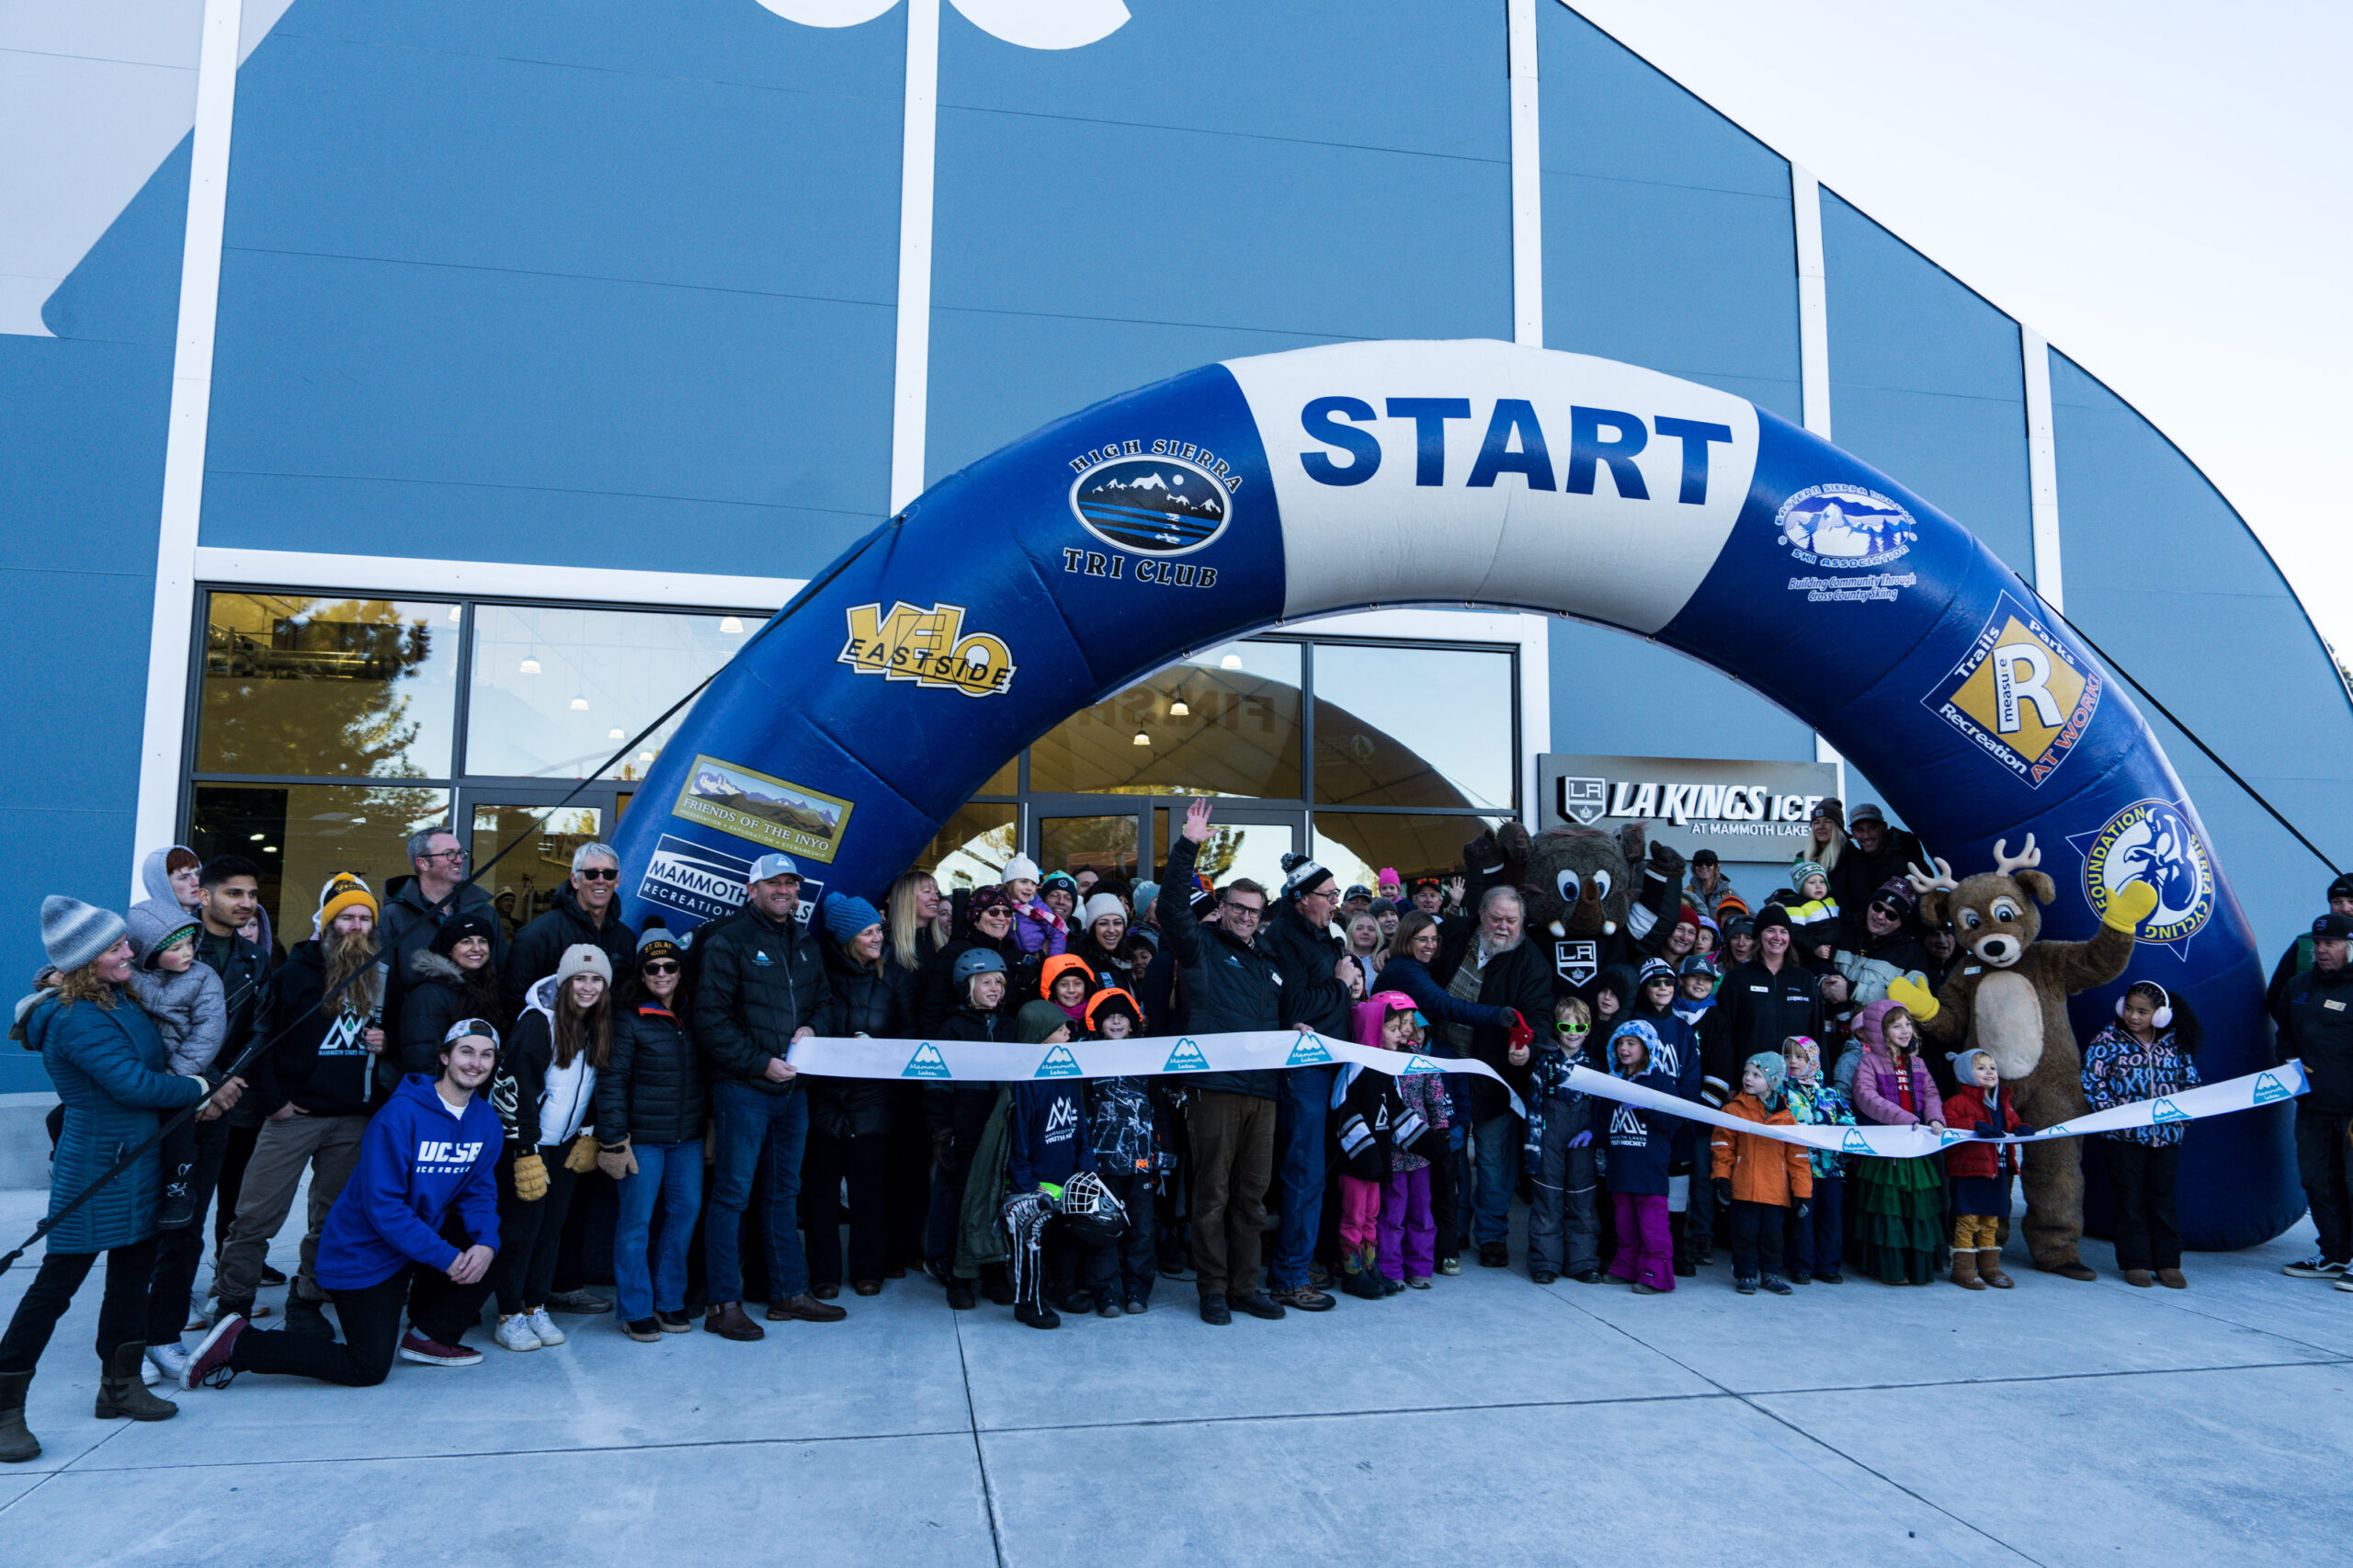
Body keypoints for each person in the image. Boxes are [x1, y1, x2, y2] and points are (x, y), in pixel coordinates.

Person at [3, 899, 220, 1462]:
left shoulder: (116, 997)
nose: (131, 951)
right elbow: (135, 1086)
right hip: (98, 1166)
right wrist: (200, 1088)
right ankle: (3, 1410)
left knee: (132, 1276)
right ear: (86, 959)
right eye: (118, 946)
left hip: (139, 1158)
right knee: (55, 1288)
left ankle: (120, 1387)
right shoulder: (75, 1019)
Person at [181, 1019, 504, 1392]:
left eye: (486, 1055)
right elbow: (385, 1209)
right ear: (445, 1056)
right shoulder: (399, 1115)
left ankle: (430, 1334)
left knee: (505, 1236)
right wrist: (447, 1257)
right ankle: (239, 1342)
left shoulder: (485, 1121)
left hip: (415, 1244)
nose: (476, 1063)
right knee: (367, 1367)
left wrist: (485, 1243)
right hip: (365, 1252)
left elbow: (478, 1191)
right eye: (466, 1052)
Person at [213, 874, 389, 1338]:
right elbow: (263, 1040)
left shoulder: (380, 976)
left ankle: (308, 1300)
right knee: (254, 1216)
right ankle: (232, 1305)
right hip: (294, 1117)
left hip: (351, 1119)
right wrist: (274, 1103)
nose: (355, 926)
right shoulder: (294, 973)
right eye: (346, 917)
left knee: (331, 1221)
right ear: (328, 923)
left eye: (364, 918)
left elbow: (398, 1037)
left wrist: (383, 1042)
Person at [692, 852, 843, 1335]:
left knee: (783, 1194)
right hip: (744, 1089)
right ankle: (723, 1305)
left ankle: (787, 1293)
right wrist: (761, 1064)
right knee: (732, 1195)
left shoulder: (804, 942)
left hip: (792, 1091)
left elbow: (826, 1001)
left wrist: (814, 1026)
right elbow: (710, 1021)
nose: (785, 891)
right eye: (774, 883)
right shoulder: (727, 940)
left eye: (792, 885)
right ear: (751, 889)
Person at [1160, 798, 1289, 1326]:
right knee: (1210, 1196)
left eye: (1253, 911)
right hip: (1213, 1087)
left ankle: (1245, 1286)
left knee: (1252, 1198)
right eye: (1236, 906)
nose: (1243, 916)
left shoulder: (1269, 964)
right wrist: (1188, 845)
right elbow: (1170, 909)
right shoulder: (1202, 948)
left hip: (1263, 1093)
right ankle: (1212, 1290)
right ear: (1222, 906)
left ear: (1262, 918)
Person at [148, 855, 271, 1379]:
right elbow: (152, 1022)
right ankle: (130, 1335)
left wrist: (221, 1088)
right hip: (165, 1103)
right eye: (234, 894)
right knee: (149, 1226)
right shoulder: (166, 949)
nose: (245, 904)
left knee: (190, 1226)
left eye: (251, 895)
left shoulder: (255, 958)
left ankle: (163, 1336)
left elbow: (260, 1029)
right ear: (204, 895)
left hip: (219, 1107)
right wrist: (200, 1085)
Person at [1372, 907, 1525, 1276]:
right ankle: (1391, 1264)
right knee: (1397, 1197)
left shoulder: (1413, 967)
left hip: (1414, 1089)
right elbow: (1442, 1004)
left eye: (1433, 939)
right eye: (1420, 939)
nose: (1428, 945)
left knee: (1421, 1193)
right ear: (1405, 940)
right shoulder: (1406, 970)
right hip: (1390, 1088)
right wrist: (1495, 1015)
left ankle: (1419, 1259)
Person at [493, 944, 611, 1351]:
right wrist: (524, 1151)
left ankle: (535, 1305)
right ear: (564, 981)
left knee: (551, 1229)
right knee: (522, 1230)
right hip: (529, 1146)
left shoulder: (597, 1023)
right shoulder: (537, 1022)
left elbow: (594, 1087)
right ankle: (508, 1311)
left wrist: (587, 1132)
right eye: (580, 978)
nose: (588, 986)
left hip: (564, 1145)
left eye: (596, 979)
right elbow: (515, 1092)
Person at [1259, 851, 1359, 1313]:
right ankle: (1290, 1276)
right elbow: (1294, 1005)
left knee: (1316, 1173)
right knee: (1304, 1173)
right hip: (1303, 1072)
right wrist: (1340, 986)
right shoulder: (1284, 937)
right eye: (1328, 895)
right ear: (1300, 899)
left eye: (1336, 895)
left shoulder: (1323, 936)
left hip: (1329, 1067)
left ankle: (1301, 1260)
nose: (1335, 903)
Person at [597, 923, 707, 1340]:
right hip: (641, 1140)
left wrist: (710, 1126)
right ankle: (636, 1308)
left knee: (684, 1217)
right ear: (641, 975)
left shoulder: (696, 1014)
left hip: (688, 1139)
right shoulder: (628, 1018)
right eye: (652, 968)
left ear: (681, 970)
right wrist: (614, 1139)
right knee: (636, 1223)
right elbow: (611, 1081)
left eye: (669, 966)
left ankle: (669, 1301)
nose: (661, 974)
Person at [1429, 886, 1545, 1270]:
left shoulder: (1530, 961)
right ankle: (1457, 1227)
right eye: (1496, 918)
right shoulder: (1453, 934)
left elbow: (1540, 1016)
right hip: (1444, 1070)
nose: (1503, 927)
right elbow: (1418, 959)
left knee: (1494, 1161)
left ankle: (1492, 1235)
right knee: (1451, 1156)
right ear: (1480, 915)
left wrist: (1529, 1046)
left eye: (1512, 920)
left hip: (1496, 1077)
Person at [803, 896, 911, 1299]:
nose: (878, 938)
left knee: (870, 1195)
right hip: (823, 1101)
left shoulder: (894, 977)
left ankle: (869, 1270)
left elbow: (912, 1034)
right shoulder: (819, 976)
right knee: (820, 1197)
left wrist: (877, 1047)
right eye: (868, 932)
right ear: (848, 938)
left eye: (878, 930)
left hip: (874, 1104)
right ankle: (824, 1274)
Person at [2081, 980, 2201, 1290]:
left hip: (2167, 1138)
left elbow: (2190, 1082)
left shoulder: (2176, 1041)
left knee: (2162, 1200)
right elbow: (2093, 1079)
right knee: (2129, 1200)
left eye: (2143, 1011)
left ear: (2159, 1015)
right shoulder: (2108, 1039)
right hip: (2123, 1140)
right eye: (2130, 1009)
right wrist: (2114, 1117)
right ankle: (2135, 1263)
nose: (2134, 1016)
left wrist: (2181, 1121)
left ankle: (2168, 1262)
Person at [121, 901, 225, 1231]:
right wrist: (48, 976)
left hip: (183, 1070)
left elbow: (208, 1030)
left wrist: (175, 1077)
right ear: (145, 951)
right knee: (60, 1118)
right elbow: (79, 975)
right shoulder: (127, 975)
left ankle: (178, 1187)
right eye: (175, 948)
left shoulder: (203, 977)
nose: (187, 953)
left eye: (190, 943)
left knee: (178, 1128)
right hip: (140, 1069)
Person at [1003, 1000, 1097, 1329]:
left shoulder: (1068, 1071)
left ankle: (1065, 1289)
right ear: (1040, 1037)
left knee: (1067, 1241)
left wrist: (1086, 1165)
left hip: (1068, 1176)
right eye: (1061, 1030)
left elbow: (1080, 1121)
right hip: (1035, 1184)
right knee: (1032, 1244)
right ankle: (1030, 1301)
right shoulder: (1025, 1080)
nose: (1069, 1034)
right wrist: (1028, 1184)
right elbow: (1019, 1138)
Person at [930, 948, 1012, 1310]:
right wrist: (941, 1130)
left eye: (999, 982)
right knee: (962, 1201)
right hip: (964, 1128)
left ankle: (994, 1272)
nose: (995, 989)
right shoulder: (952, 1028)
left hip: (1000, 1128)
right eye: (986, 982)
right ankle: (959, 1276)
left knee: (997, 1201)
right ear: (966, 986)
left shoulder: (1010, 1026)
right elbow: (937, 1085)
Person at [1332, 991, 1427, 1300]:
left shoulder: (1384, 1068)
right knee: (1354, 1217)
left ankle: (1370, 1268)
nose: (1401, 1035)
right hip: (1356, 1162)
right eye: (1392, 1029)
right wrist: (1367, 1154)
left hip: (1377, 1161)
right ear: (1373, 1029)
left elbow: (1397, 1112)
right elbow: (1342, 1110)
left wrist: (1429, 1142)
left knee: (1372, 1215)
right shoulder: (1356, 1066)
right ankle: (1352, 1273)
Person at [2274, 913, 2353, 1283]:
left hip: (2351, 1109)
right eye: (2318, 944)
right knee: (2317, 1180)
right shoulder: (2298, 986)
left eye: (2331, 944)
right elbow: (2284, 1032)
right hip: (2312, 1107)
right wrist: (2289, 1060)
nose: (2322, 951)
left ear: (2348, 947)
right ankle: (2334, 1254)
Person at [1847, 999, 1947, 1286]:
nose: (1905, 1031)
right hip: (1886, 1149)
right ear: (1880, 1031)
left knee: (1916, 1206)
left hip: (1915, 1147)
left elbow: (1930, 1093)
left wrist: (1935, 1118)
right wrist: (1904, 1118)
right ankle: (1886, 1267)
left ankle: (1915, 1267)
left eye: (1908, 1024)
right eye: (1896, 1025)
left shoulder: (1917, 1062)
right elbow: (1866, 1096)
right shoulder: (1869, 1062)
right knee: (1887, 1208)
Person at [378, 824, 507, 1045]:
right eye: (449, 854)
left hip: (476, 1047)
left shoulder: (485, 913)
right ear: (423, 863)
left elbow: (501, 976)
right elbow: (382, 986)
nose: (458, 860)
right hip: (409, 1043)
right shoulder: (393, 916)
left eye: (460, 853)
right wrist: (388, 1037)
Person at [1077, 988, 1157, 1314]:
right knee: (1103, 1228)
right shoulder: (1087, 1057)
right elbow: (1080, 1110)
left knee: (1142, 1230)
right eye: (1109, 1017)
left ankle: (1137, 1290)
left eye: (1122, 1016)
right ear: (1097, 1023)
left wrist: (1162, 1155)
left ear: (1132, 1023)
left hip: (1141, 1161)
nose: (1115, 1021)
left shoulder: (1148, 1056)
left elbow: (1159, 1106)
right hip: (1102, 1161)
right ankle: (1107, 1292)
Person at [1711, 1052, 1812, 1295]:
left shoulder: (1786, 1117)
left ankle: (1771, 1273)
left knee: (1772, 1235)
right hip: (1743, 1187)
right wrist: (1722, 1177)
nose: (1748, 1078)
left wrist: (1802, 1192)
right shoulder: (1734, 1110)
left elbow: (1797, 1157)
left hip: (1775, 1191)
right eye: (1746, 1073)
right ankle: (1745, 1273)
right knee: (1744, 1233)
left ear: (1774, 1080)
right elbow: (1722, 1147)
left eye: (1757, 1075)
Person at [1701, 905, 1818, 1110]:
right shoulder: (1738, 978)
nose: (1777, 937)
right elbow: (1723, 1036)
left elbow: (1816, 1036)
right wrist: (1728, 1081)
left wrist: (1819, 1081)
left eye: (1784, 932)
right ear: (1759, 936)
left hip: (1795, 1088)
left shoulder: (1805, 980)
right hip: (1748, 1084)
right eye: (1770, 930)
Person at [504, 842, 633, 1023]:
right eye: (591, 873)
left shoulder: (627, 939)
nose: (601, 880)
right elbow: (515, 1005)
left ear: (617, 881)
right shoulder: (536, 935)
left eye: (609, 874)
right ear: (574, 880)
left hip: (606, 1047)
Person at [1523, 995, 1598, 1285]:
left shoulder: (1594, 1064)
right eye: (1565, 1025)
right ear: (1557, 1028)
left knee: (1582, 1200)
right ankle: (1545, 1262)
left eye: (1579, 1027)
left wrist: (1595, 1138)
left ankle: (1583, 1262)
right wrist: (1533, 1149)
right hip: (1549, 1138)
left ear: (1588, 1030)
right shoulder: (1545, 1063)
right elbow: (1533, 1107)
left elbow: (1601, 1109)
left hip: (1583, 1141)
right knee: (1548, 1199)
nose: (1572, 1032)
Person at [1943, 1046, 2031, 1290]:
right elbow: (1950, 1124)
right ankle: (1963, 1269)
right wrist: (1975, 1125)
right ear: (1966, 1074)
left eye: (1992, 1067)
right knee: (1968, 1220)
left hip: (1996, 1171)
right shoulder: (1957, 1102)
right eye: (1980, 1068)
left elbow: (2011, 1124)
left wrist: (2021, 1128)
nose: (1989, 1072)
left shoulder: (2002, 1103)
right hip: (1969, 1172)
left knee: (1991, 1221)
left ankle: (1990, 1267)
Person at [1603, 1019, 1678, 1295]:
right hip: (1621, 1167)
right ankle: (1625, 1267)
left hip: (1649, 1169)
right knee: (1624, 1224)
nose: (1624, 1049)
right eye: (1620, 1043)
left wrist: (1648, 1106)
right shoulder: (1613, 1079)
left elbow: (1673, 1121)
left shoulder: (1660, 1081)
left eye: (1631, 1043)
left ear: (1647, 1048)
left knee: (1652, 1226)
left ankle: (1654, 1274)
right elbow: (1603, 1115)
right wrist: (1592, 1133)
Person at [1779, 1036, 1854, 1284]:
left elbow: (1849, 1121)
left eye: (1800, 1057)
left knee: (1830, 1218)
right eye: (1788, 1056)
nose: (1793, 1062)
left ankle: (1829, 1266)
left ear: (1812, 1060)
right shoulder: (1782, 1091)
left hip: (1830, 1169)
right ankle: (1801, 1265)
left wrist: (1834, 1128)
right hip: (1799, 1167)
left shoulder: (1829, 1093)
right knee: (1802, 1218)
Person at [394, 912, 504, 1080]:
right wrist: (433, 1099)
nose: (476, 948)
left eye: (482, 941)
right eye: (466, 942)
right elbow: (420, 1056)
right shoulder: (430, 993)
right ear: (449, 950)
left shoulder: (485, 986)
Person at [923, 885, 1023, 1031]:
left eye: (1007, 912)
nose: (1001, 918)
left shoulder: (1013, 953)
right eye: (993, 912)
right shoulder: (954, 952)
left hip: (1003, 1042)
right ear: (976, 918)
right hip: (961, 1042)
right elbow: (933, 1007)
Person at [2265, 875, 2353, 1018]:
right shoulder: (2305, 943)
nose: (2344, 908)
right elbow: (2277, 994)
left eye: (2351, 901)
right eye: (2337, 902)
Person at [1836, 880, 1929, 1006]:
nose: (1880, 916)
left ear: (1902, 922)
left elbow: (1913, 1000)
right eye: (1877, 907)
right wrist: (1823, 980)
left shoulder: (1913, 954)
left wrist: (1853, 991)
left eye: (1890, 915)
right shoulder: (1843, 931)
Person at [1836, 804, 1925, 918]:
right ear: (1852, 833)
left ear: (1884, 827)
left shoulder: (1907, 860)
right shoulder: (1854, 862)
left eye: (1872, 828)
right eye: (1860, 830)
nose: (1866, 835)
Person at [998, 854, 1068, 962]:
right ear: (1008, 883)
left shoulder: (1037, 907)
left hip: (1039, 961)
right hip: (1012, 961)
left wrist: (1054, 960)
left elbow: (1057, 933)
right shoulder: (1001, 905)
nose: (1029, 888)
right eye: (1023, 881)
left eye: (1033, 884)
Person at [1067, 892, 1134, 990]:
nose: (1111, 930)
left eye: (1117, 923)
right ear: (1092, 929)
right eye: (1103, 924)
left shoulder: (1129, 957)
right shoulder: (1081, 964)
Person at [1345, 912, 1387, 986]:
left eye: (1371, 929)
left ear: (1378, 935)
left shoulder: (1384, 962)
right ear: (1351, 932)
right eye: (1359, 928)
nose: (1365, 932)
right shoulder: (1341, 959)